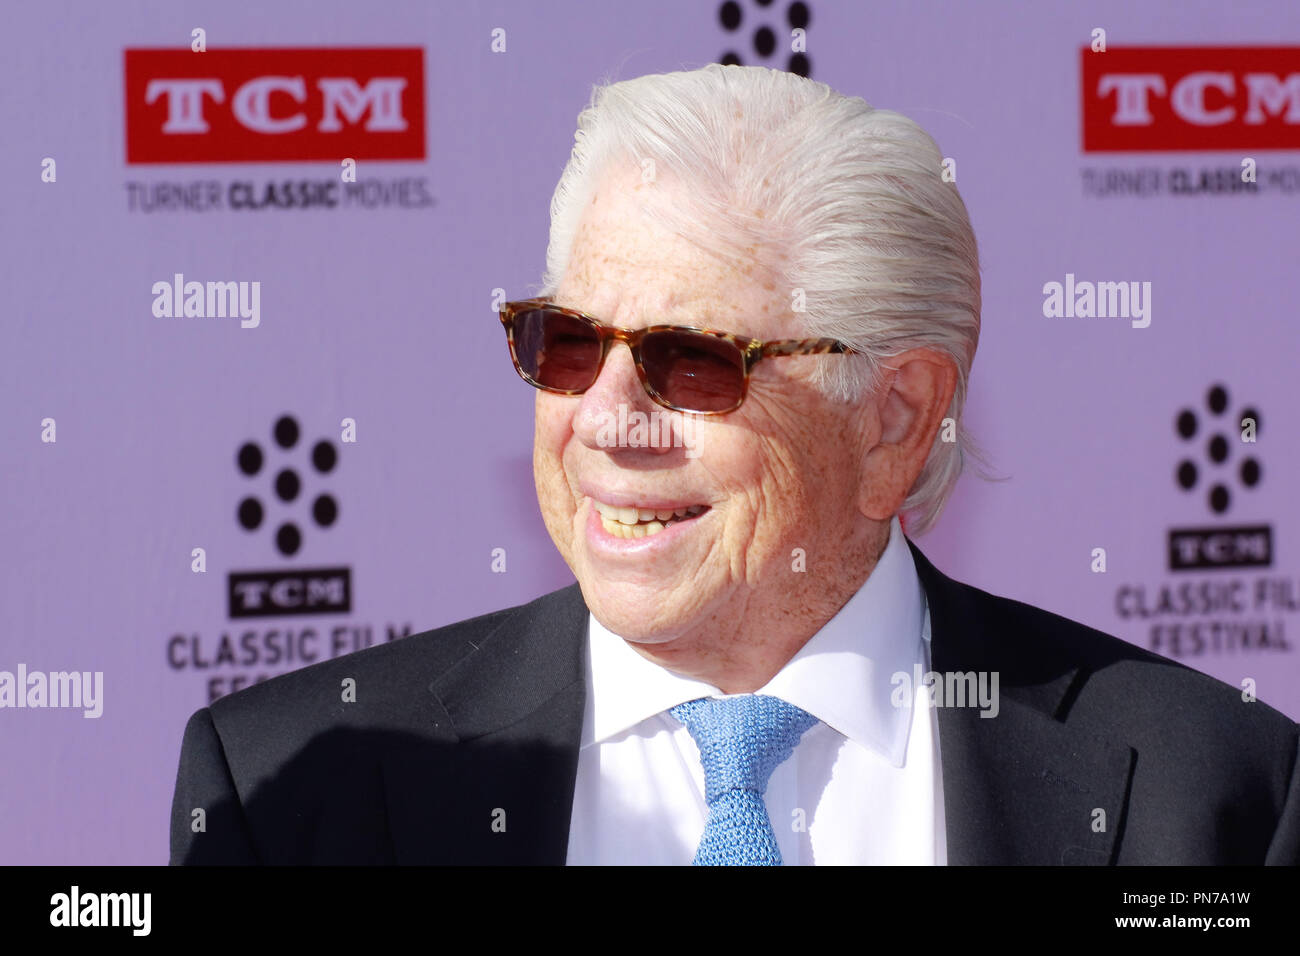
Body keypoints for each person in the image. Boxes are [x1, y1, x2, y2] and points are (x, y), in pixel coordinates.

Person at [171, 64, 1299, 865]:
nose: (606, 417)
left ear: (896, 419)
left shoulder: (1208, 793)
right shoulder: (302, 791)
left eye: (691, 361)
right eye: (564, 343)